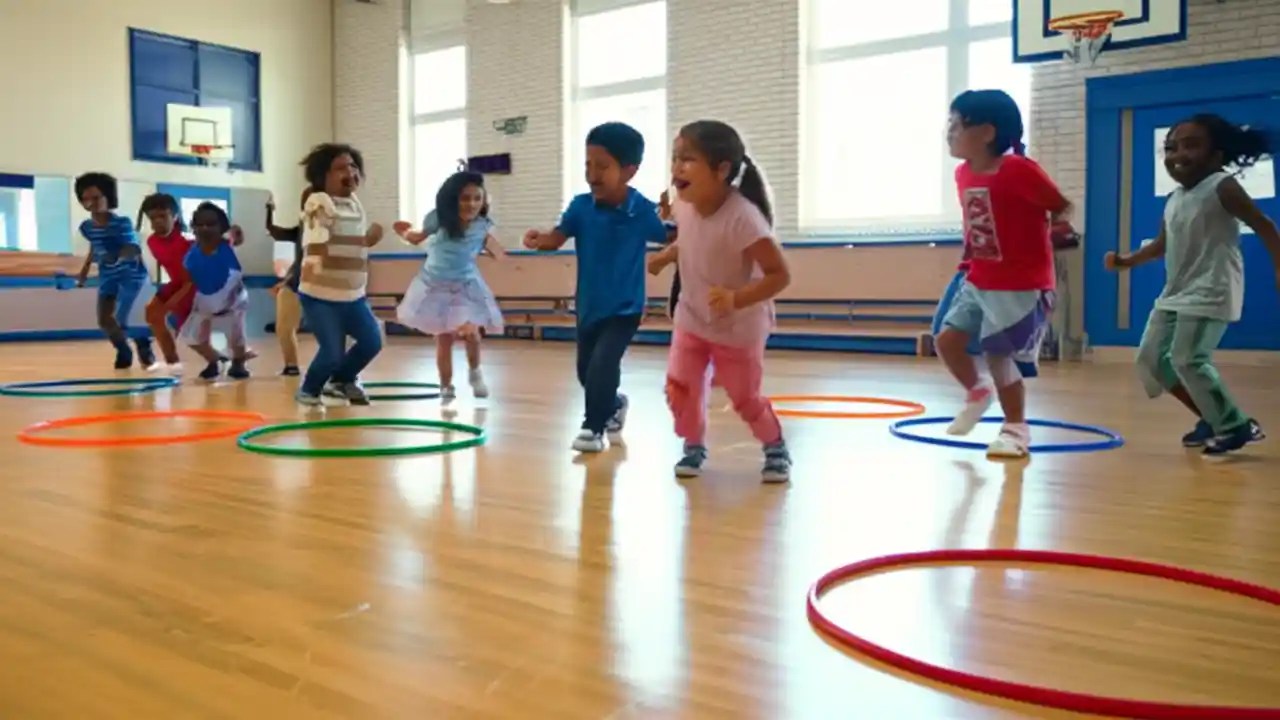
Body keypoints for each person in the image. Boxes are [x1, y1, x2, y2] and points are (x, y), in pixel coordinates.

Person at [1105, 113, 1278, 454]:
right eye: (1171, 148)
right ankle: (1213, 417)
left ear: (1216, 154)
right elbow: (1161, 244)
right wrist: (1126, 261)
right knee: (1153, 362)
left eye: (1191, 145)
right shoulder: (1175, 198)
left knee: (1187, 359)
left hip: (1212, 289)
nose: (1178, 155)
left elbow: (1264, 225)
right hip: (1175, 293)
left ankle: (1235, 425)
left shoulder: (1222, 186)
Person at [646, 120, 792, 482]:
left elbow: (779, 275)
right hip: (692, 318)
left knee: (744, 398)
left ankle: (775, 446)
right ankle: (693, 445)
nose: (677, 167)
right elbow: (692, 241)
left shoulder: (744, 218)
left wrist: (735, 298)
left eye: (688, 159)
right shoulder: (685, 206)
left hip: (738, 327)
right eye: (675, 158)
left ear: (722, 170)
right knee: (680, 387)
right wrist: (666, 256)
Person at [936, 89, 1073, 459]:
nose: (949, 132)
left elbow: (1060, 205)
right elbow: (976, 221)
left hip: (1020, 283)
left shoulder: (1018, 170)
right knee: (946, 340)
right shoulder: (963, 173)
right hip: (979, 276)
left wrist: (1053, 232)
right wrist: (969, 259)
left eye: (956, 125)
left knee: (1000, 355)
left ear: (986, 132)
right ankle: (977, 391)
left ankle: (1015, 429)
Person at [523, 122, 669, 452]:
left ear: (629, 171)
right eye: (588, 165)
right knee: (586, 373)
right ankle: (614, 404)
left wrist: (678, 216)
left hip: (626, 308)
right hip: (589, 306)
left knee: (604, 363)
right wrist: (538, 239)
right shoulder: (580, 207)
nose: (592, 175)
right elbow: (555, 238)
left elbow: (669, 236)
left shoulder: (641, 211)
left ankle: (593, 427)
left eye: (602, 166)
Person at [394, 171, 505, 402]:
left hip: (466, 285)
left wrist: (505, 254)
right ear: (452, 199)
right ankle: (446, 385)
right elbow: (417, 237)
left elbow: (496, 250)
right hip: (435, 285)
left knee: (471, 333)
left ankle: (475, 373)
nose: (471, 204)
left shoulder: (482, 225)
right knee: (444, 338)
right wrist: (403, 231)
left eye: (477, 198)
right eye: (465, 198)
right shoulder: (438, 219)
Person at [295, 143, 385, 407]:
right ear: (322, 176)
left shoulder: (355, 205)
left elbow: (353, 241)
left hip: (353, 296)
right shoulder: (318, 201)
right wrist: (320, 221)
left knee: (372, 342)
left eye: (353, 166)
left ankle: (341, 380)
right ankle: (309, 390)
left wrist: (369, 239)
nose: (350, 172)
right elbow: (318, 229)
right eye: (340, 168)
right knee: (332, 352)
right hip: (320, 296)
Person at [74, 172, 154, 370]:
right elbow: (95, 247)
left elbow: (132, 248)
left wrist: (118, 256)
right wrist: (84, 271)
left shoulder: (122, 223)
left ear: (107, 197)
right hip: (108, 276)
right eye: (86, 199)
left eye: (96, 198)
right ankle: (123, 350)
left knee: (125, 319)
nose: (91, 203)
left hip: (131, 276)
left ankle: (143, 343)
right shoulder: (86, 227)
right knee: (104, 319)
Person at [179, 203, 251, 380]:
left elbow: (236, 235)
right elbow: (187, 281)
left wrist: (235, 232)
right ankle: (214, 360)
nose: (205, 228)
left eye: (211, 224)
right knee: (191, 336)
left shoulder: (227, 244)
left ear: (221, 227)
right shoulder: (191, 254)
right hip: (204, 301)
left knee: (236, 337)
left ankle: (238, 363)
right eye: (200, 224)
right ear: (194, 228)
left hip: (233, 302)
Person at [138, 193, 192, 372]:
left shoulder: (188, 241)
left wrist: (173, 302)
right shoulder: (152, 242)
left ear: (175, 216)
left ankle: (226, 358)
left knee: (193, 336)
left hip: (196, 286)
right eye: (152, 218)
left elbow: (192, 279)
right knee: (152, 313)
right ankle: (172, 362)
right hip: (177, 284)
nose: (158, 222)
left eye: (163, 216)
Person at [266, 189, 310, 376]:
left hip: (316, 285)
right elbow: (274, 231)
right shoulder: (302, 228)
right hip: (297, 284)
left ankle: (337, 371)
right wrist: (269, 210)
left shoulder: (325, 231)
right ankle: (291, 365)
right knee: (284, 327)